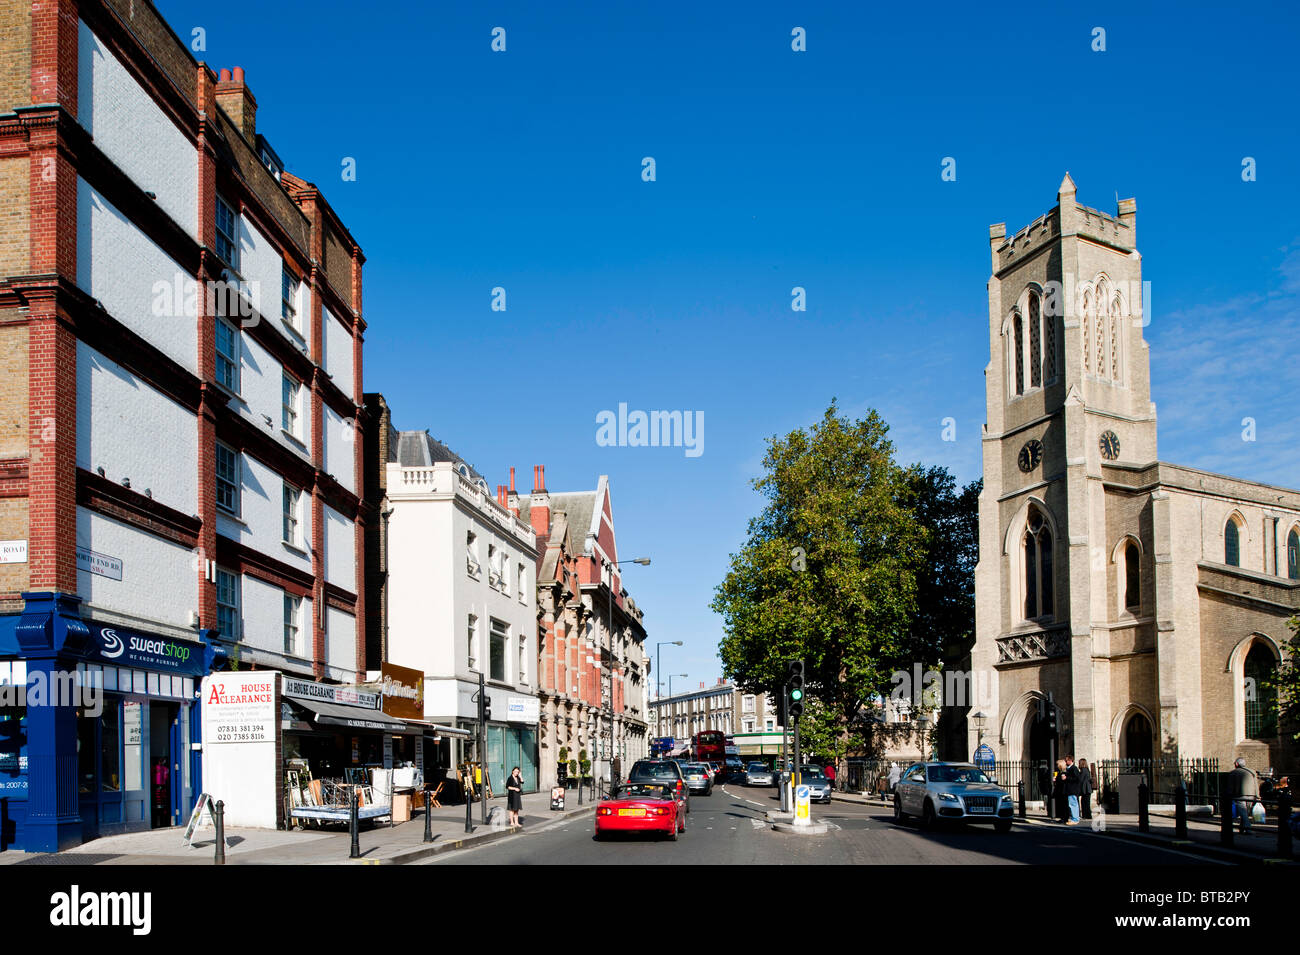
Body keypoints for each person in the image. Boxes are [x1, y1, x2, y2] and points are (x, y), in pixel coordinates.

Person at [1229, 757, 1259, 834]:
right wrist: (1257, 796)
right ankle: (1242, 829)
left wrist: (1229, 794)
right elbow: (1256, 785)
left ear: (1236, 764)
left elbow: (1230, 786)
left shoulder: (1233, 773)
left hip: (1240, 795)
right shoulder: (1252, 772)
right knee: (1245, 813)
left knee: (1243, 814)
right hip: (1251, 795)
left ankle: (1248, 830)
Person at [1064, 755, 1081, 825]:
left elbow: (1077, 779)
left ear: (1070, 760)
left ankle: (1075, 819)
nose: (1065, 762)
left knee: (1073, 804)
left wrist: (1066, 778)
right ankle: (1073, 818)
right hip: (1069, 789)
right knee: (1071, 804)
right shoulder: (1068, 769)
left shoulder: (1074, 768)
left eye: (1066, 760)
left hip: (1073, 789)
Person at [1053, 759, 1069, 823]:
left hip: (1063, 790)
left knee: (1064, 804)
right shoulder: (1058, 772)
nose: (1056, 766)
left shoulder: (1064, 772)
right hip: (1059, 790)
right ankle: (1062, 817)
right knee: (1061, 804)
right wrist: (1054, 779)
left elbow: (1064, 781)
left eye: (1057, 764)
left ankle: (1065, 818)